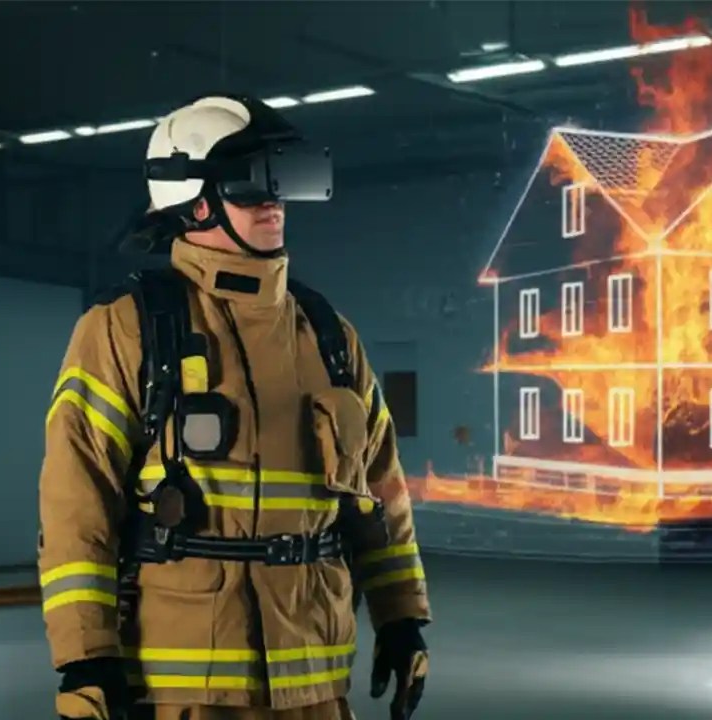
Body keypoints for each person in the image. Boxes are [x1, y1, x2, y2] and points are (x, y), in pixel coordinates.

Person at [37, 94, 430, 720]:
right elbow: (76, 505)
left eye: (282, 180)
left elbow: (381, 493)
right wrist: (86, 659)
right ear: (192, 202)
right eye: (249, 185)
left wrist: (402, 616)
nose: (273, 201)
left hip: (316, 680)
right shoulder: (127, 329)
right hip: (186, 686)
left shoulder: (327, 334)